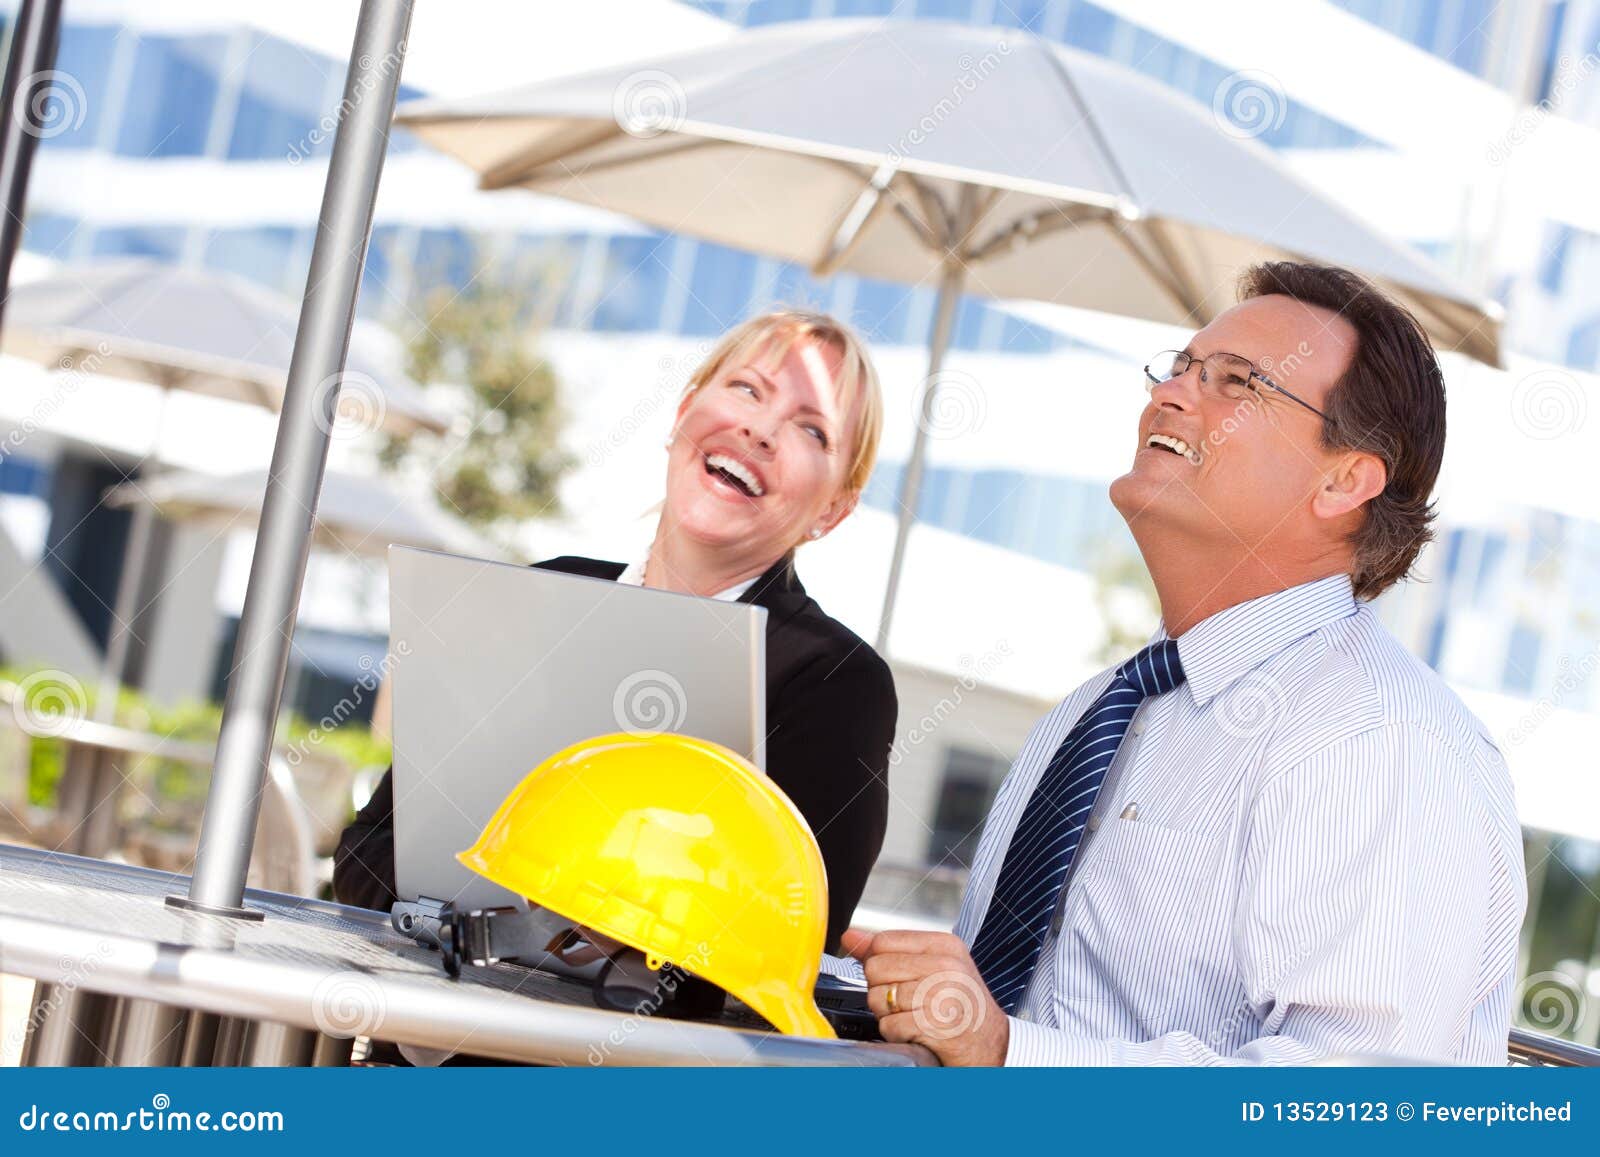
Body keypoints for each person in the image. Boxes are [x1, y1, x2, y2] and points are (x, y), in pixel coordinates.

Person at [838, 261, 1525, 1065]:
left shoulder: (1382, 739)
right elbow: (1014, 1003)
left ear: (1344, 481)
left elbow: (1348, 1101)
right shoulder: (1100, 706)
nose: (1169, 394)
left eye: (1237, 382)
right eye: (1180, 367)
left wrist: (1008, 1051)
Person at [334, 309, 896, 954]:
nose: (761, 430)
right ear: (684, 411)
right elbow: (366, 852)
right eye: (748, 389)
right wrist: (500, 929)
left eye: (811, 429)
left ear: (832, 510)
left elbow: (787, 952)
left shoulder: (834, 681)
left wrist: (580, 935)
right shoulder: (537, 598)